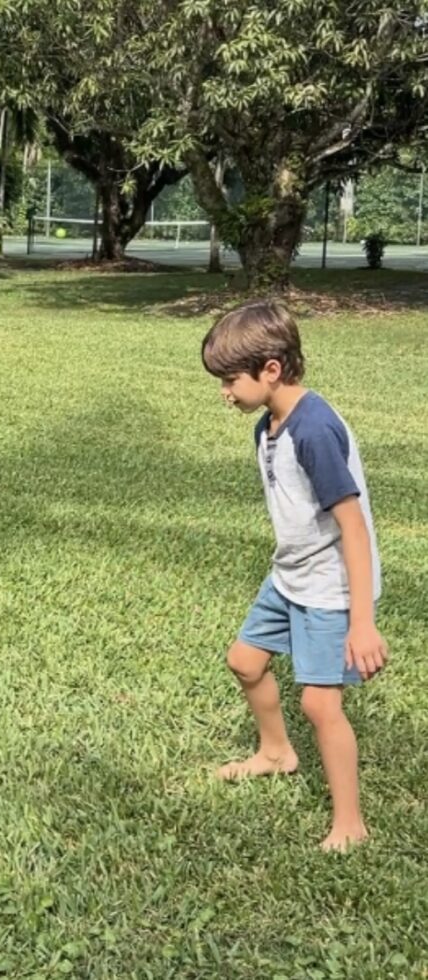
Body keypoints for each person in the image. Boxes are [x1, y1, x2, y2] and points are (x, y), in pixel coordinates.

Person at [201, 300, 387, 851]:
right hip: (290, 576)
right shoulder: (269, 424)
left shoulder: (315, 431)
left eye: (231, 380)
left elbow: (354, 529)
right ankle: (277, 752)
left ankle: (350, 822)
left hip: (332, 584)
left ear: (271, 369)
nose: (225, 392)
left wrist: (362, 623)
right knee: (245, 660)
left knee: (320, 703)